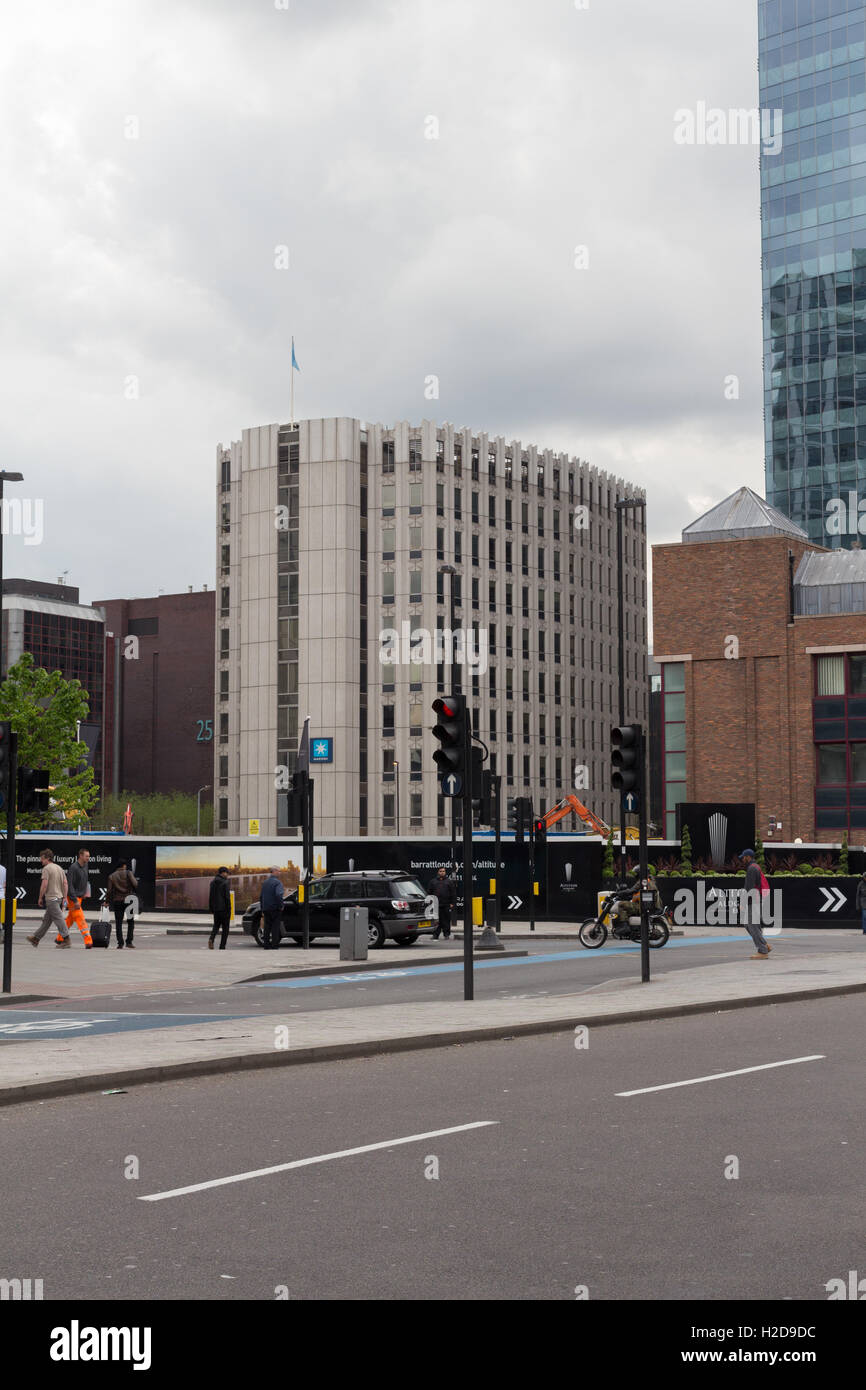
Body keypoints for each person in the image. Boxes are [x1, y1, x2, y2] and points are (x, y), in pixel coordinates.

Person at [27, 849, 69, 948]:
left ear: (48, 858)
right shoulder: (59, 868)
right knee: (46, 921)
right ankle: (36, 938)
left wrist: (40, 897)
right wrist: (64, 897)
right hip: (58, 898)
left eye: (42, 859)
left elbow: (44, 885)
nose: (41, 861)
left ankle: (67, 940)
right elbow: (65, 883)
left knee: (59, 919)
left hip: (51, 898)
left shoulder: (46, 869)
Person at [739, 849, 771, 959]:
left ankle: (762, 951)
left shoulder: (752, 869)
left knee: (752, 925)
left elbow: (749, 888)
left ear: (748, 857)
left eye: (743, 857)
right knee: (749, 924)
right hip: (756, 900)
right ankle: (764, 944)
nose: (742, 859)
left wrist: (743, 903)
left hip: (753, 901)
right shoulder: (755, 867)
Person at [107, 859, 139, 949]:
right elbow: (135, 884)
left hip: (117, 900)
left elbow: (109, 891)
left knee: (118, 922)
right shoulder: (128, 873)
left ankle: (120, 943)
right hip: (129, 899)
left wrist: (107, 902)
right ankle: (129, 942)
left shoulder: (111, 876)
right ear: (124, 865)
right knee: (130, 921)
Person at [65, 849, 93, 948]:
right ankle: (88, 941)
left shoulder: (85, 865)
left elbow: (85, 880)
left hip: (80, 896)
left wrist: (84, 892)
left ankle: (60, 938)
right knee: (80, 919)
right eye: (86, 856)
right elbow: (70, 885)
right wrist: (75, 900)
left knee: (70, 919)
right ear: (80, 856)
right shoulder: (73, 867)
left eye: (89, 856)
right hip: (73, 898)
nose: (88, 858)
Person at [428, 867, 457, 940]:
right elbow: (430, 892)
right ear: (438, 872)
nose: (442, 872)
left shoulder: (449, 882)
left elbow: (453, 893)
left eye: (443, 871)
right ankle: (435, 935)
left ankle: (446, 934)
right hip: (436, 905)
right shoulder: (433, 881)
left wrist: (452, 903)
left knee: (446, 920)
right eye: (440, 871)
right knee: (436, 921)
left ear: (445, 872)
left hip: (446, 904)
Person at [260, 867, 285, 950]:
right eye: (279, 871)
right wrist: (281, 906)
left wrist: (262, 908)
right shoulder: (278, 883)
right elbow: (279, 895)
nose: (280, 873)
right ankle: (274, 945)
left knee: (267, 927)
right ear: (274, 871)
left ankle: (266, 945)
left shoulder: (265, 882)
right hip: (275, 908)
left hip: (266, 908)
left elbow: (261, 896)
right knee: (275, 927)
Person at [208, 866, 232, 950]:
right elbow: (227, 898)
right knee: (225, 928)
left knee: (216, 925)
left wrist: (211, 908)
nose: (227, 875)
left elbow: (211, 896)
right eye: (227, 873)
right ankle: (222, 946)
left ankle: (211, 939)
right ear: (223, 873)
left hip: (216, 909)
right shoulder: (225, 882)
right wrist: (229, 909)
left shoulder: (213, 882)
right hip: (224, 909)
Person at [857, 869, 866, 935]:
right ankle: (865, 930)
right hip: (863, 903)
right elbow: (857, 895)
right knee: (865, 917)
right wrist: (857, 905)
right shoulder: (860, 884)